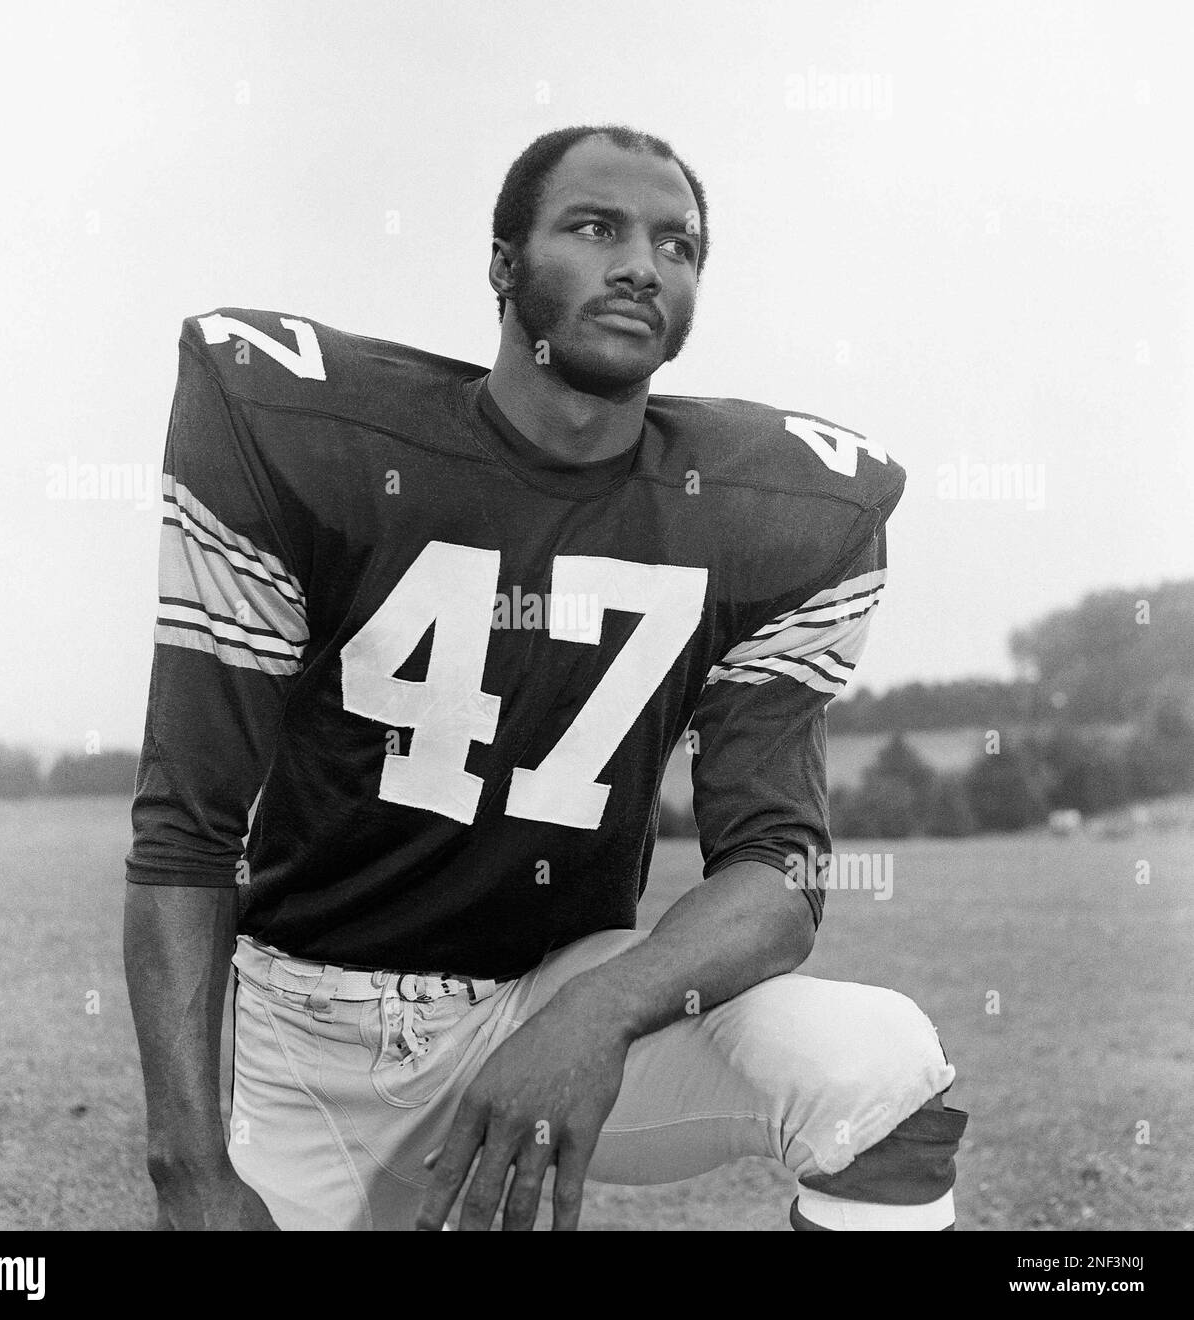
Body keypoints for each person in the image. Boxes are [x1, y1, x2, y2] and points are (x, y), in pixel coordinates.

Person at [123, 124, 968, 1232]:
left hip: (551, 991)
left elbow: (777, 870)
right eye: (594, 227)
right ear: (503, 263)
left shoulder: (781, 514)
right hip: (304, 1036)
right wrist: (186, 1168)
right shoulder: (301, 430)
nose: (640, 264)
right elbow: (189, 824)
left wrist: (595, 1016)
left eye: (678, 245)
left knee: (881, 1072)